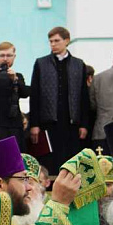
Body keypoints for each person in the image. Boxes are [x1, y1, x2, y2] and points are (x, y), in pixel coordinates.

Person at [27, 26, 87, 171]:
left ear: (66, 41)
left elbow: (83, 96)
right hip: (48, 122)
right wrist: (34, 124)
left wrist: (83, 124)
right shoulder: (41, 63)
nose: (53, 44)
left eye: (57, 40)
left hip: (71, 122)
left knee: (71, 159)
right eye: (51, 41)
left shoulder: (79, 64)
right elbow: (35, 95)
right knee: (50, 160)